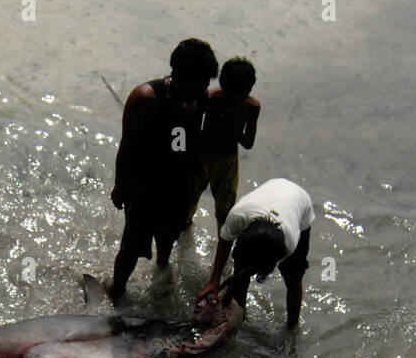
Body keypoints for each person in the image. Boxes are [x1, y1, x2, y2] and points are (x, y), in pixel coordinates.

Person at [109, 38, 218, 302]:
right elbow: (127, 147)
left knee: (169, 235)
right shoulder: (146, 99)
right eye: (199, 82)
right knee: (132, 247)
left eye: (206, 83)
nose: (204, 89)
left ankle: (162, 269)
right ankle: (117, 292)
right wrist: (121, 186)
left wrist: (198, 165)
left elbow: (191, 135)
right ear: (178, 75)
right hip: (145, 184)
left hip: (179, 183)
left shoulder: (199, 97)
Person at [197, 177, 313, 330]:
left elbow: (263, 264)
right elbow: (224, 242)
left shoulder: (289, 243)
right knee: (240, 267)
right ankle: (239, 316)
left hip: (300, 203)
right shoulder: (238, 216)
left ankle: (292, 327)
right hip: (273, 190)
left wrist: (240, 276)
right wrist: (215, 279)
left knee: (293, 276)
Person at [187, 57, 260, 233]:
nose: (234, 102)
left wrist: (233, 129)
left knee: (225, 211)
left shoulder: (251, 107)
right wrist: (193, 157)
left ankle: (224, 244)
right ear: (223, 86)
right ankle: (184, 233)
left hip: (228, 161)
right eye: (229, 97)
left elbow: (248, 143)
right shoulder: (210, 99)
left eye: (239, 99)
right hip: (203, 156)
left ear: (248, 91)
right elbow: (192, 128)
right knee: (188, 201)